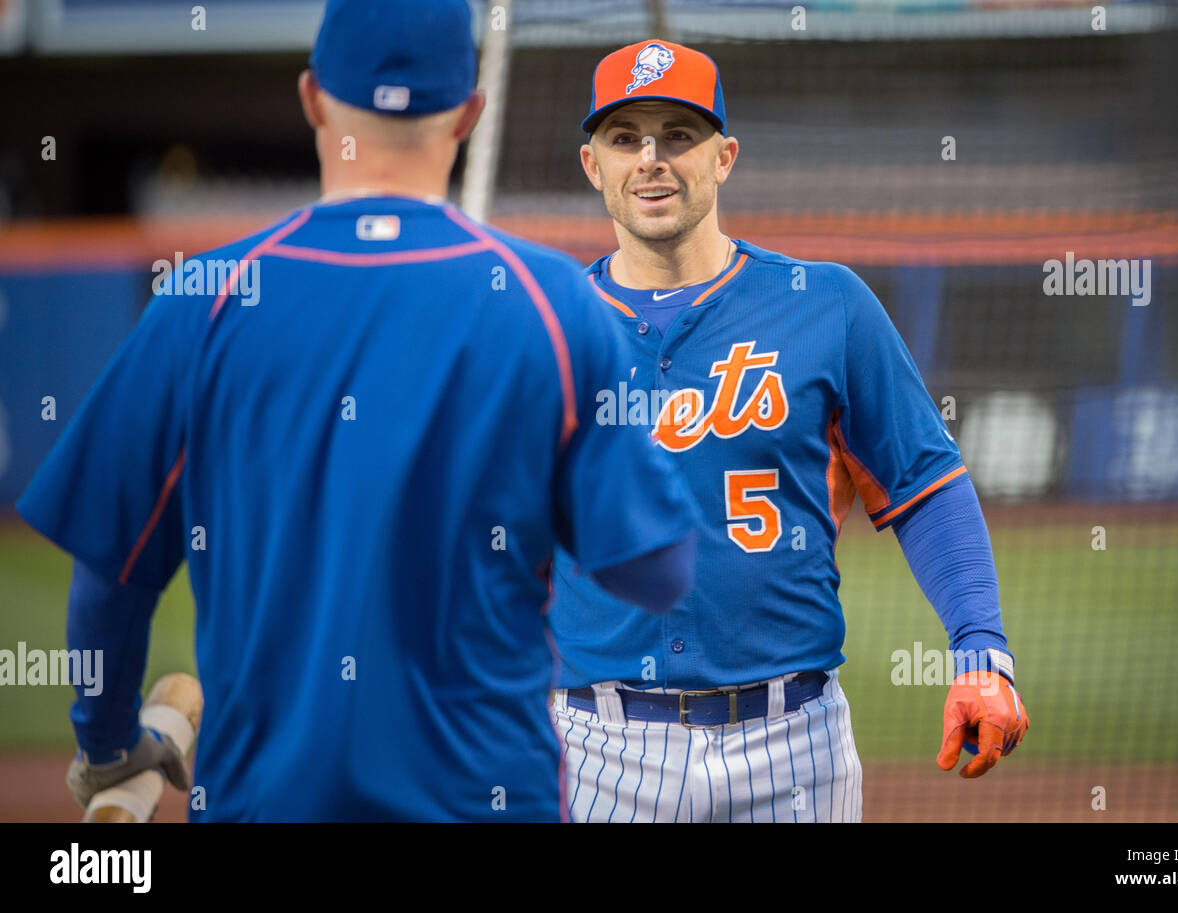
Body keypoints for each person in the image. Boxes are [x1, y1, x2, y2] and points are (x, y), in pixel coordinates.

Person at [17, 1, 697, 823]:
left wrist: (105, 744)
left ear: (311, 99)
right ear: (470, 111)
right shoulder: (553, 303)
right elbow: (657, 571)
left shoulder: (205, 295)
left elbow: (108, 579)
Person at [547, 39, 1028, 823]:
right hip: (600, 747)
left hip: (792, 743)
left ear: (725, 156)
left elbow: (925, 485)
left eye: (679, 135)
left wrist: (982, 650)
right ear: (592, 164)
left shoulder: (825, 304)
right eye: (626, 138)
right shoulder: (544, 326)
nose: (652, 160)